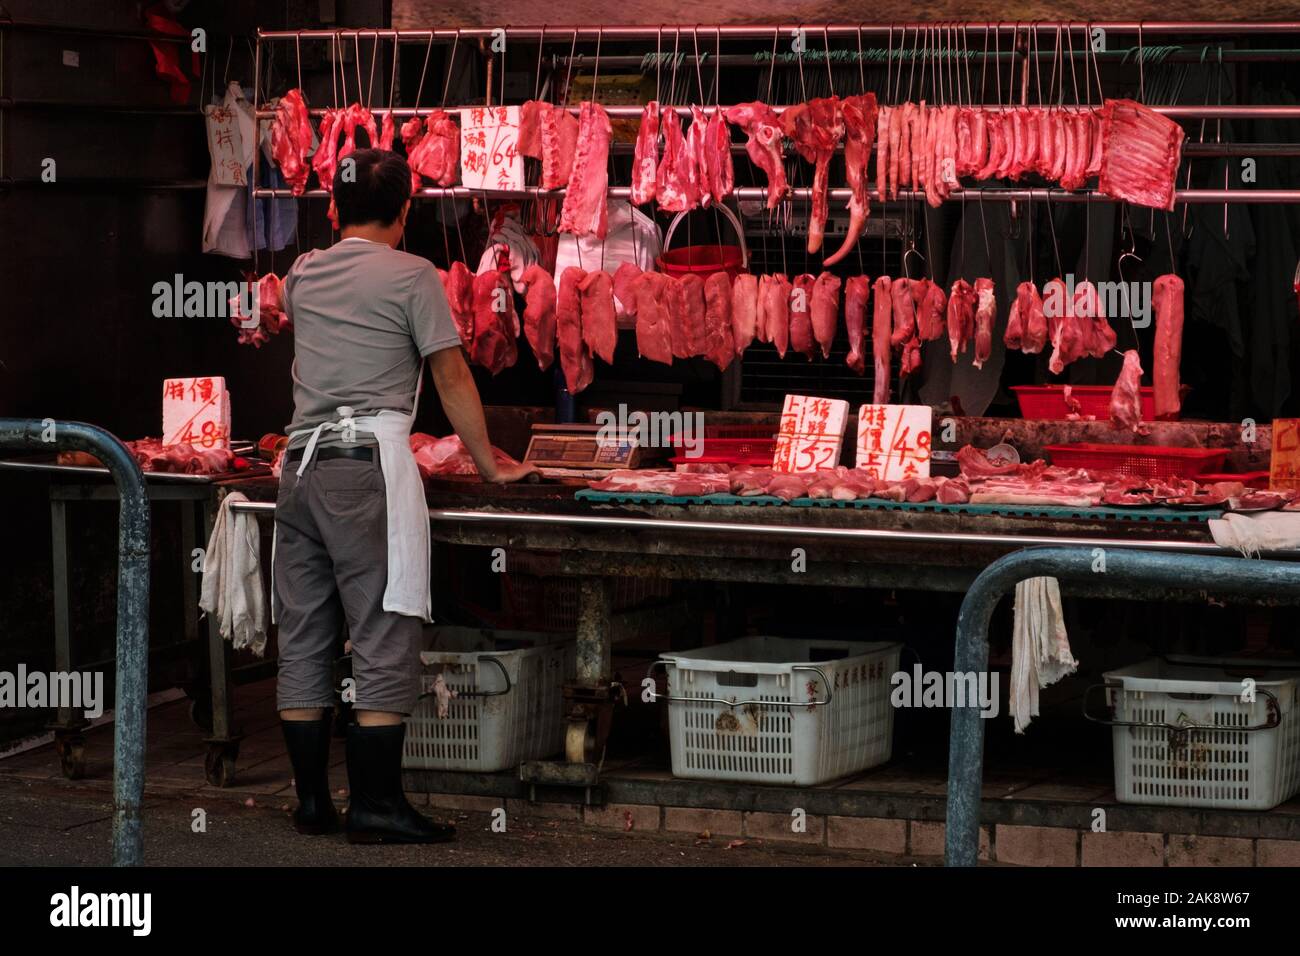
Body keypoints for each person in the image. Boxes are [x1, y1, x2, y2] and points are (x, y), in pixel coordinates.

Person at [273, 148, 534, 844]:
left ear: (333, 209)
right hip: (364, 467)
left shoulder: (301, 273)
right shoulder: (414, 275)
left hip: (297, 471)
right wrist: (489, 466)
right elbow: (450, 376)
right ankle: (376, 806)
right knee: (384, 628)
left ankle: (311, 802)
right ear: (405, 211)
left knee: (303, 633)